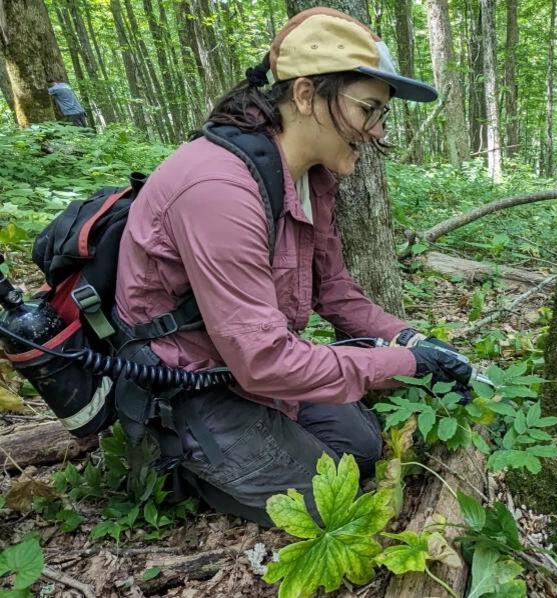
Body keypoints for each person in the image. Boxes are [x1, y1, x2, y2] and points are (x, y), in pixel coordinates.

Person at [113, 7, 471, 525]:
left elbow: (337, 292)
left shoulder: (310, 177)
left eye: (382, 114)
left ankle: (254, 441)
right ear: (305, 95)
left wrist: (415, 342)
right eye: (367, 109)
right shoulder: (220, 190)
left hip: (247, 368)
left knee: (363, 450)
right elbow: (262, 360)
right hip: (191, 381)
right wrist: (403, 367)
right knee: (326, 499)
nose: (375, 130)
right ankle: (177, 454)